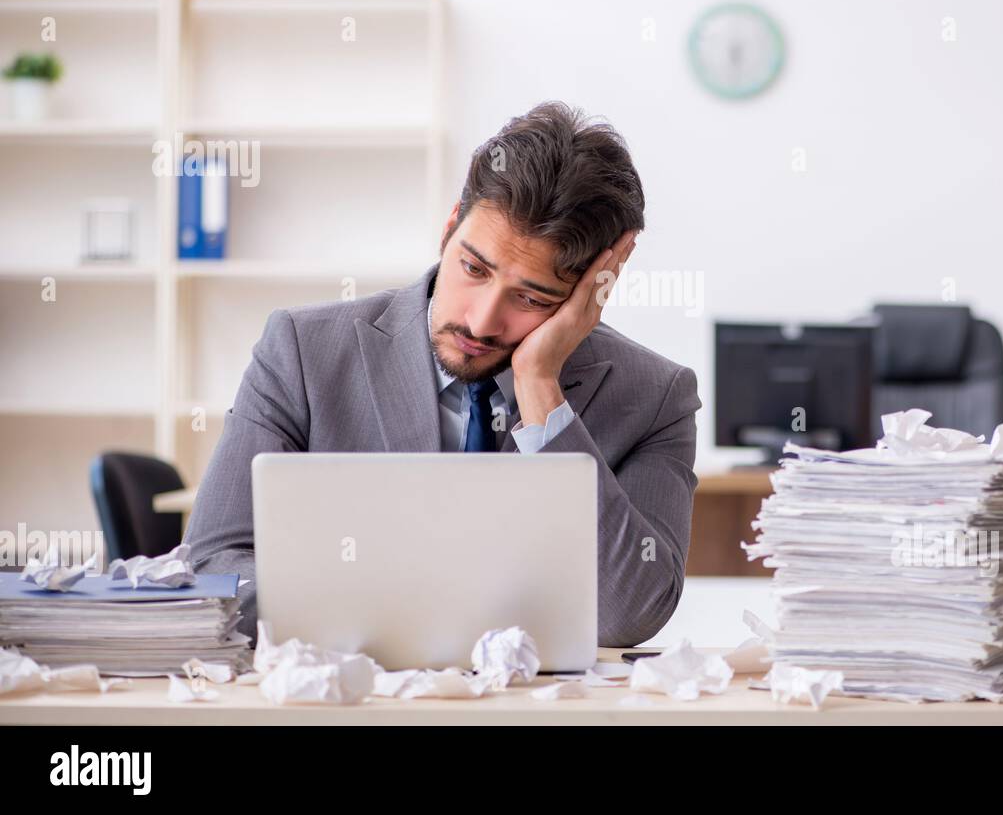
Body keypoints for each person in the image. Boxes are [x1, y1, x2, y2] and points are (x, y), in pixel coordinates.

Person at [185, 101, 701, 647]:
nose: (481, 320)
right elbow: (214, 571)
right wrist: (402, 604)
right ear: (451, 227)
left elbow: (630, 616)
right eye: (473, 269)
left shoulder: (656, 397)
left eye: (530, 297)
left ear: (588, 293)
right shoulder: (303, 350)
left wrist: (540, 389)